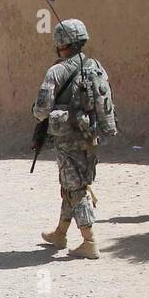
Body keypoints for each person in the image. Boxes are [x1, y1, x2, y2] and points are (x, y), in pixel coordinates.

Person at [33, 18, 117, 259]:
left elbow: (41, 108)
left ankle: (89, 241)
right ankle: (60, 233)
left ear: (61, 43)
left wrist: (36, 114)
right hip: (90, 134)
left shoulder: (57, 71)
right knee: (72, 182)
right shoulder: (95, 66)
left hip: (66, 137)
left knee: (76, 186)